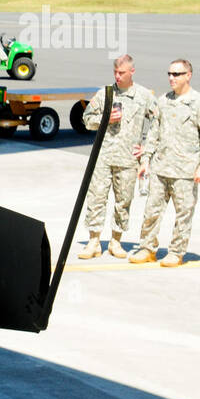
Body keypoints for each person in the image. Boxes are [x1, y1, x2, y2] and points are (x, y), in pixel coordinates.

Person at [129, 59, 200, 268]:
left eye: (177, 74)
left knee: (183, 214)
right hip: (161, 168)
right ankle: (147, 248)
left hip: (185, 172)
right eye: (169, 74)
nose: (171, 78)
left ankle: (176, 252)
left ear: (188, 75)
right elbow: (153, 132)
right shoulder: (163, 101)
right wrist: (145, 160)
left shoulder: (199, 103)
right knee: (151, 211)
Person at [76, 55, 158, 259]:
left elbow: (158, 121)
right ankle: (94, 241)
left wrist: (147, 148)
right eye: (115, 72)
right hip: (103, 157)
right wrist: (105, 118)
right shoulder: (106, 94)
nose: (117, 76)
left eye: (122, 73)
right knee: (96, 198)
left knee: (123, 201)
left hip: (128, 159)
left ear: (132, 72)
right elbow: (86, 119)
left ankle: (116, 241)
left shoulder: (144, 96)